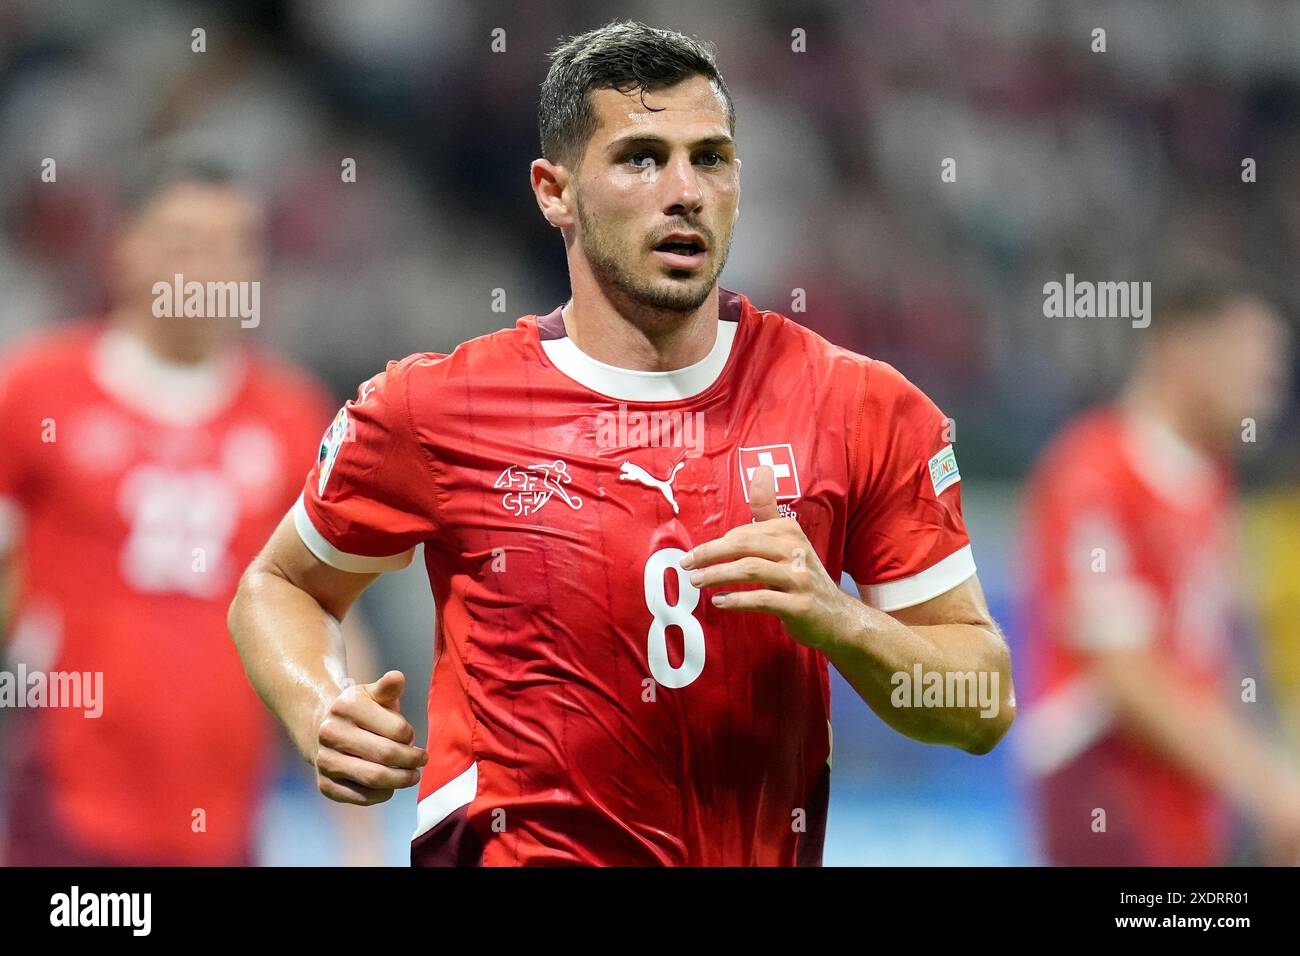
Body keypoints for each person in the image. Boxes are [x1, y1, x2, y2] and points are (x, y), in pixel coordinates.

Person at [229, 20, 1015, 867]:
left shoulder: (861, 406)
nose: (685, 190)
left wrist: (843, 621)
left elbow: (982, 703)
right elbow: (279, 586)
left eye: (709, 158)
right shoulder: (433, 408)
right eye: (641, 158)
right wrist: (321, 709)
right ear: (553, 191)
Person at [0, 158, 358, 865]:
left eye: (233, 246)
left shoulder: (294, 418)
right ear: (123, 248)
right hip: (64, 813)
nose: (209, 268)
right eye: (184, 240)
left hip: (224, 821)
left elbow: (326, 614)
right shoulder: (36, 389)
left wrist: (358, 824)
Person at [1017, 273, 1300, 865]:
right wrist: (1268, 783)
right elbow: (1127, 676)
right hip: (1104, 784)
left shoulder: (1211, 484)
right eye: (1251, 361)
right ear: (1180, 350)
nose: (1267, 390)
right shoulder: (1093, 472)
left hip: (1187, 804)